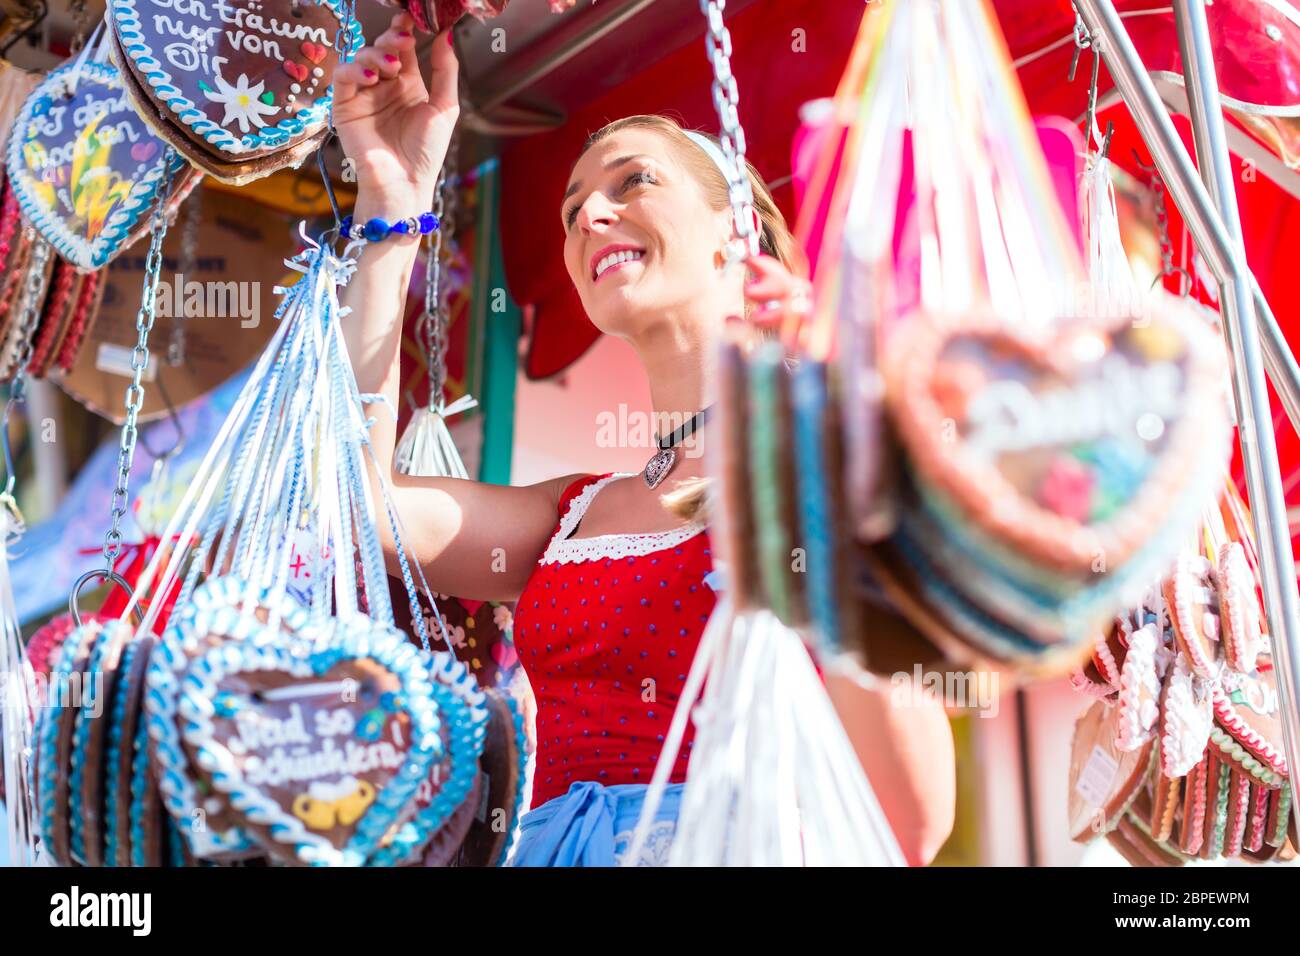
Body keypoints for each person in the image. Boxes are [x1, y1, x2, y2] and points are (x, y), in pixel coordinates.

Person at [333, 11, 954, 866]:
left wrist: (808, 473)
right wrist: (391, 207)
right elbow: (358, 508)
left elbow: (913, 822)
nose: (590, 212)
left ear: (734, 233)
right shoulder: (574, 510)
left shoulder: (845, 468)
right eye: (573, 203)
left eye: (633, 183)